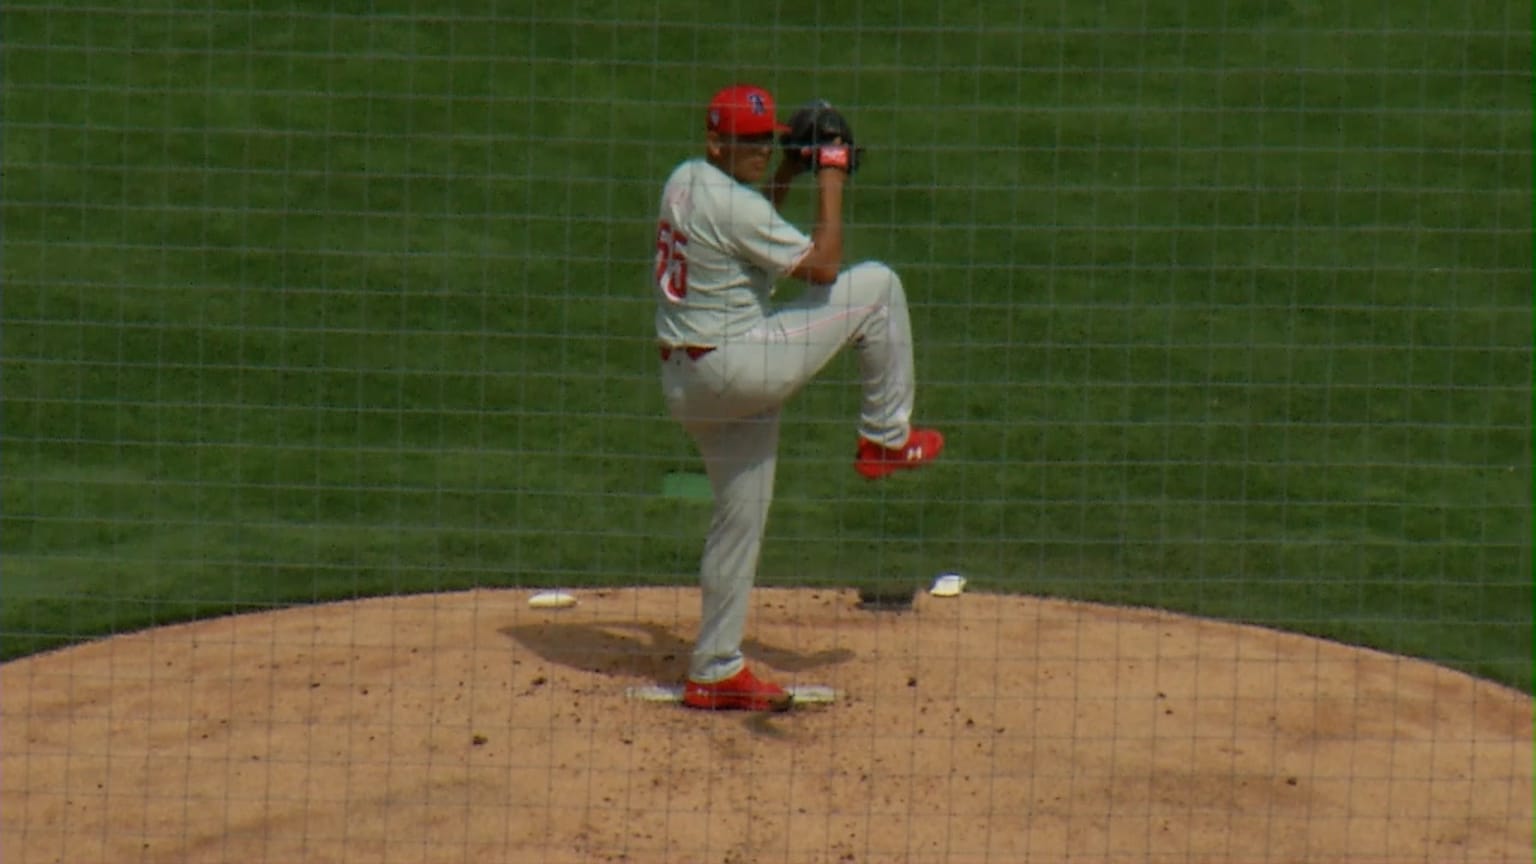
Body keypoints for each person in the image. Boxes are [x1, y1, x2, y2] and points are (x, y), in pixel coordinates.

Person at [652, 83, 944, 711]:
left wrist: (788, 168)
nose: (760, 149)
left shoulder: (683, 182)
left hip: (690, 384)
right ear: (715, 141)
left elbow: (753, 228)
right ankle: (886, 440)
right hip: (736, 368)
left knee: (740, 519)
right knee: (878, 288)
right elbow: (825, 264)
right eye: (748, 141)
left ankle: (713, 668)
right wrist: (831, 175)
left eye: (769, 140)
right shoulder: (736, 208)